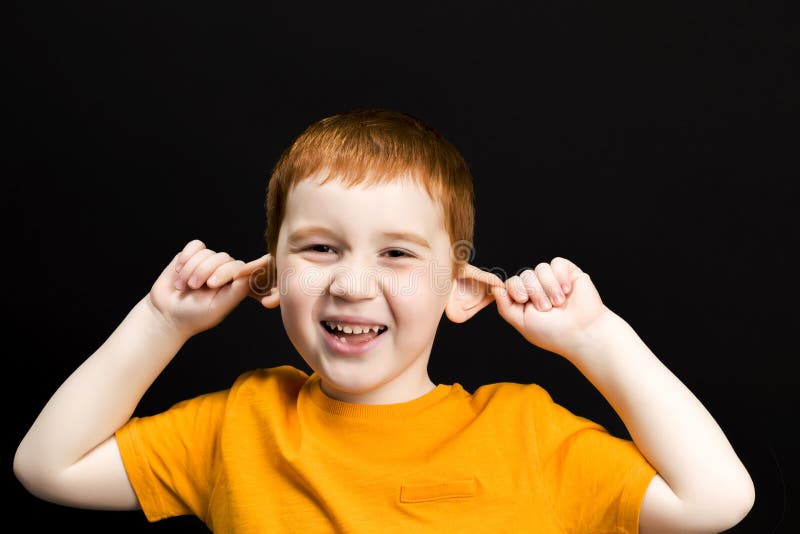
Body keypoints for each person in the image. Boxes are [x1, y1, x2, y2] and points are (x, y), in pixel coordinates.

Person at [14, 109, 754, 533]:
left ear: (461, 291)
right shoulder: (238, 424)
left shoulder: (526, 432)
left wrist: (599, 340)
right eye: (319, 249)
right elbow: (47, 467)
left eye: (397, 253)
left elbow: (717, 502)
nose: (352, 283)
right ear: (269, 277)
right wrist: (159, 322)